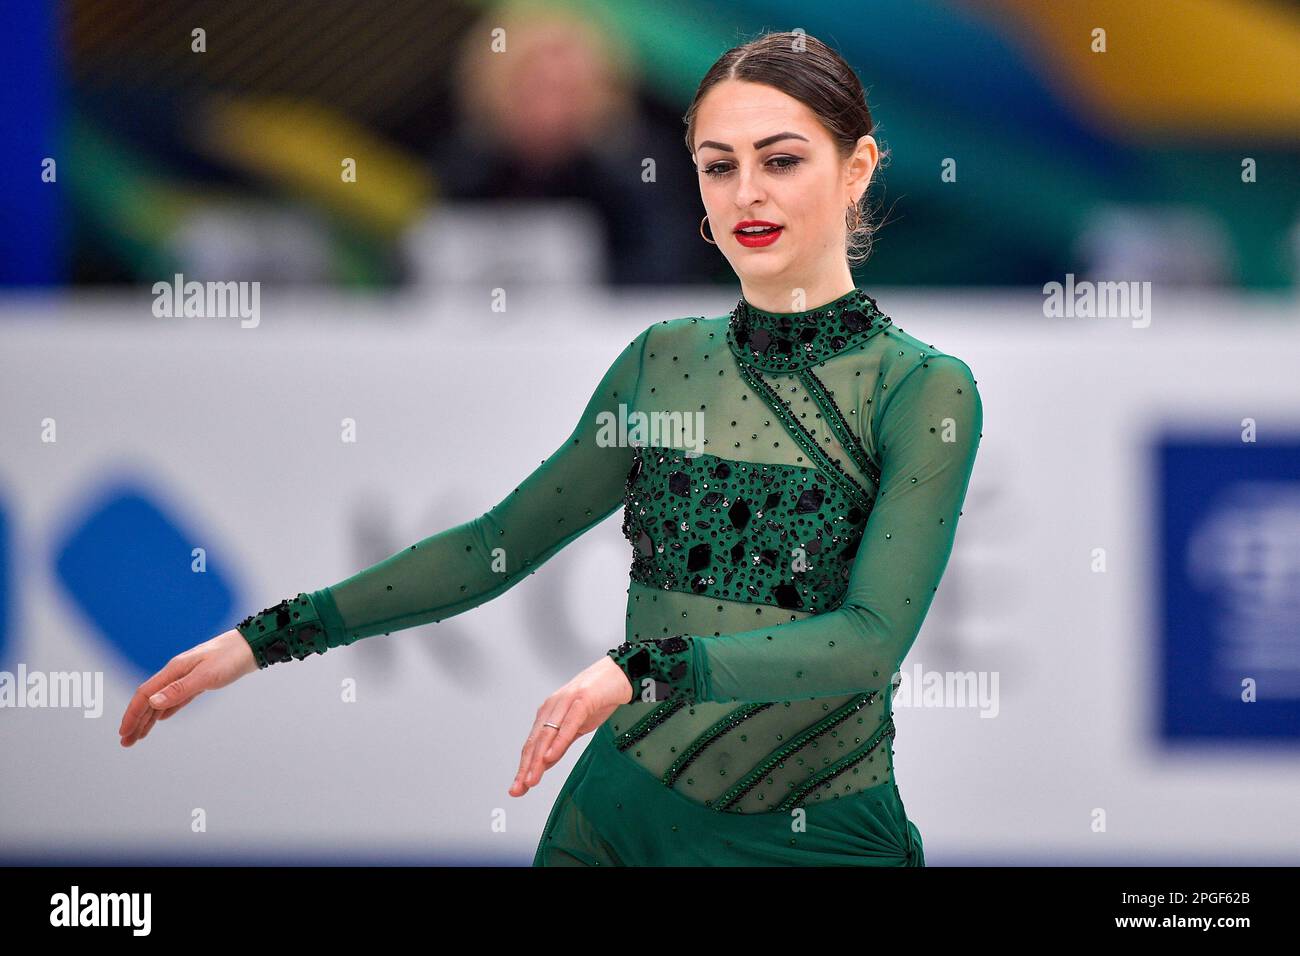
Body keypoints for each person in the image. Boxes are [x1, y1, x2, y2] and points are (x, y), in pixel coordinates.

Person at [117, 30, 983, 867]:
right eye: (720, 166)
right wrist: (261, 640)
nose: (746, 192)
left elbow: (869, 640)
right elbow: (494, 547)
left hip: (820, 840)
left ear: (857, 170)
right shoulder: (663, 361)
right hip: (617, 827)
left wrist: (642, 668)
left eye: (781, 160)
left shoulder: (921, 388)